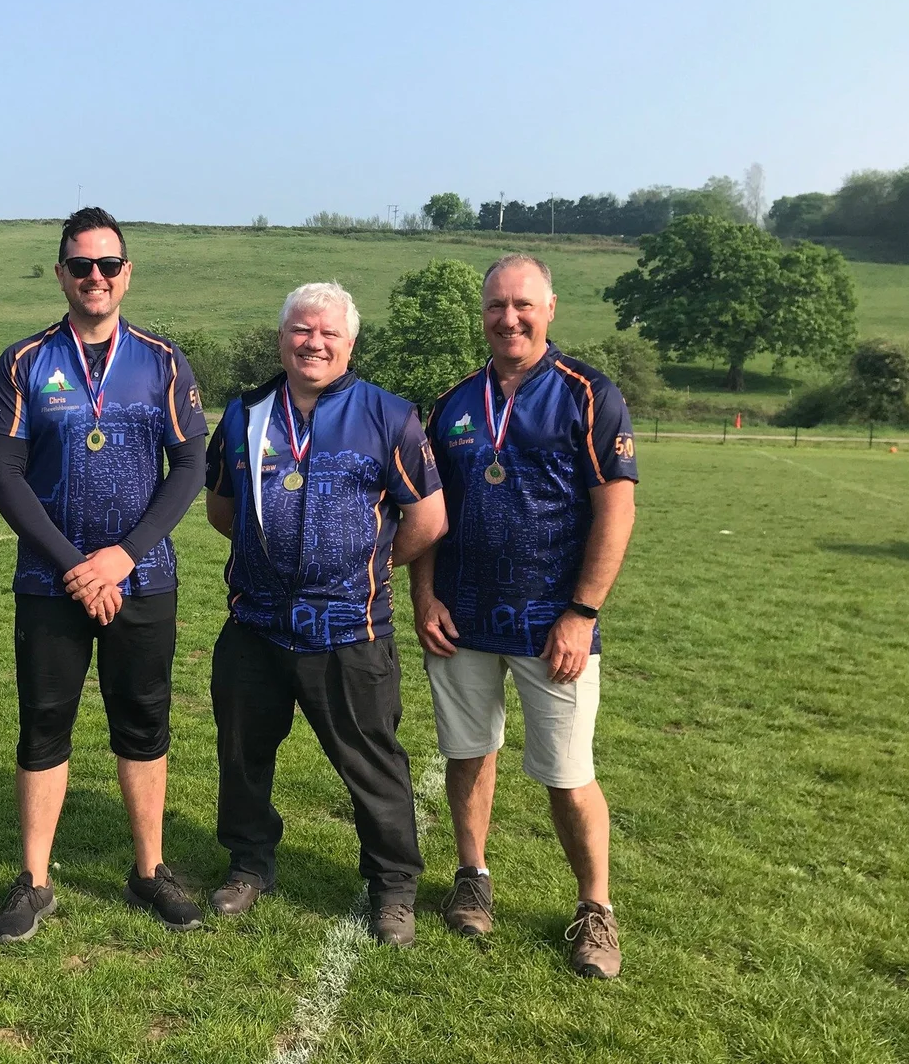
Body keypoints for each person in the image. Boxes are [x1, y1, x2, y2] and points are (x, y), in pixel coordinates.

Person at [0, 207, 208, 940]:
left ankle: (148, 870)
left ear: (127, 272)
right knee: (44, 722)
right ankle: (35, 880)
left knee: (143, 719)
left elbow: (191, 465)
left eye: (109, 265)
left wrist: (124, 553)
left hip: (143, 576)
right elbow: (3, 476)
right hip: (53, 581)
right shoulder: (22, 363)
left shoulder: (165, 362)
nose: (96, 278)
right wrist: (76, 563)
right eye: (81, 266)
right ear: (61, 274)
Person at [411, 253, 638, 979]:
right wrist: (424, 594)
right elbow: (422, 509)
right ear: (481, 313)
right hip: (463, 618)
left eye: (523, 304)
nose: (509, 317)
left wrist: (581, 611)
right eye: (496, 306)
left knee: (568, 772)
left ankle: (595, 909)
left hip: (552, 625)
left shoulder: (588, 394)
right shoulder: (451, 402)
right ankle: (472, 874)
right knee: (468, 754)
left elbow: (617, 510)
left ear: (550, 308)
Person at [203, 281, 447, 947]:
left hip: (349, 628)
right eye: (301, 330)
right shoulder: (244, 414)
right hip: (255, 625)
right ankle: (250, 861)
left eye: (328, 332)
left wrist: (358, 567)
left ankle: (393, 884)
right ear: (282, 338)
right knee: (243, 754)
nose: (313, 342)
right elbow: (222, 511)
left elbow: (428, 519)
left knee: (371, 762)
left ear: (350, 342)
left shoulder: (389, 415)